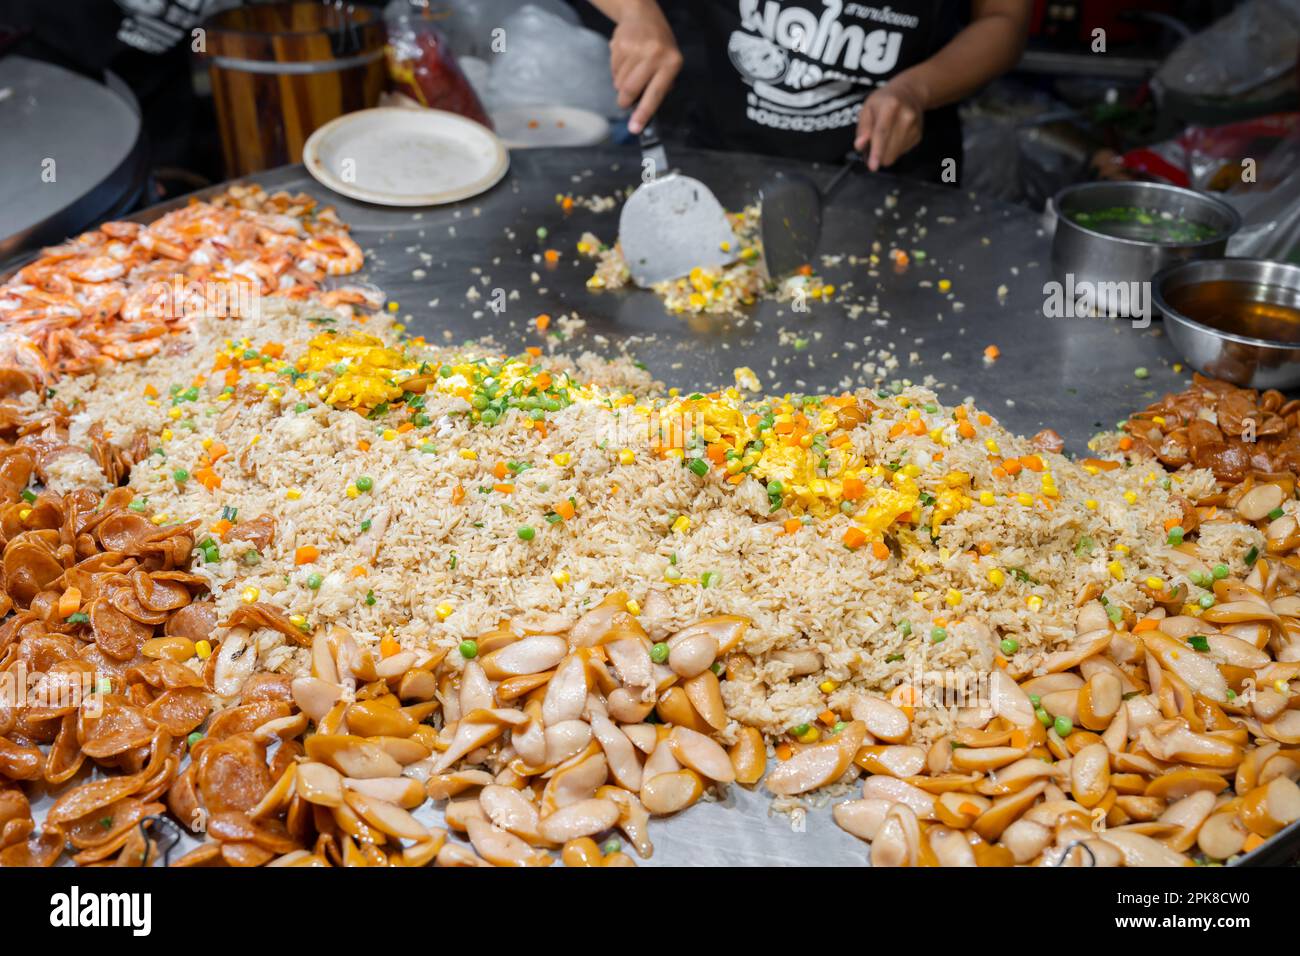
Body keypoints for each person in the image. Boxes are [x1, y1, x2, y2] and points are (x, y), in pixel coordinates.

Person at [586, 0, 1031, 184]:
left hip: (893, 179)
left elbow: (1005, 20)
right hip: (717, 159)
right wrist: (636, 11)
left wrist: (918, 88)